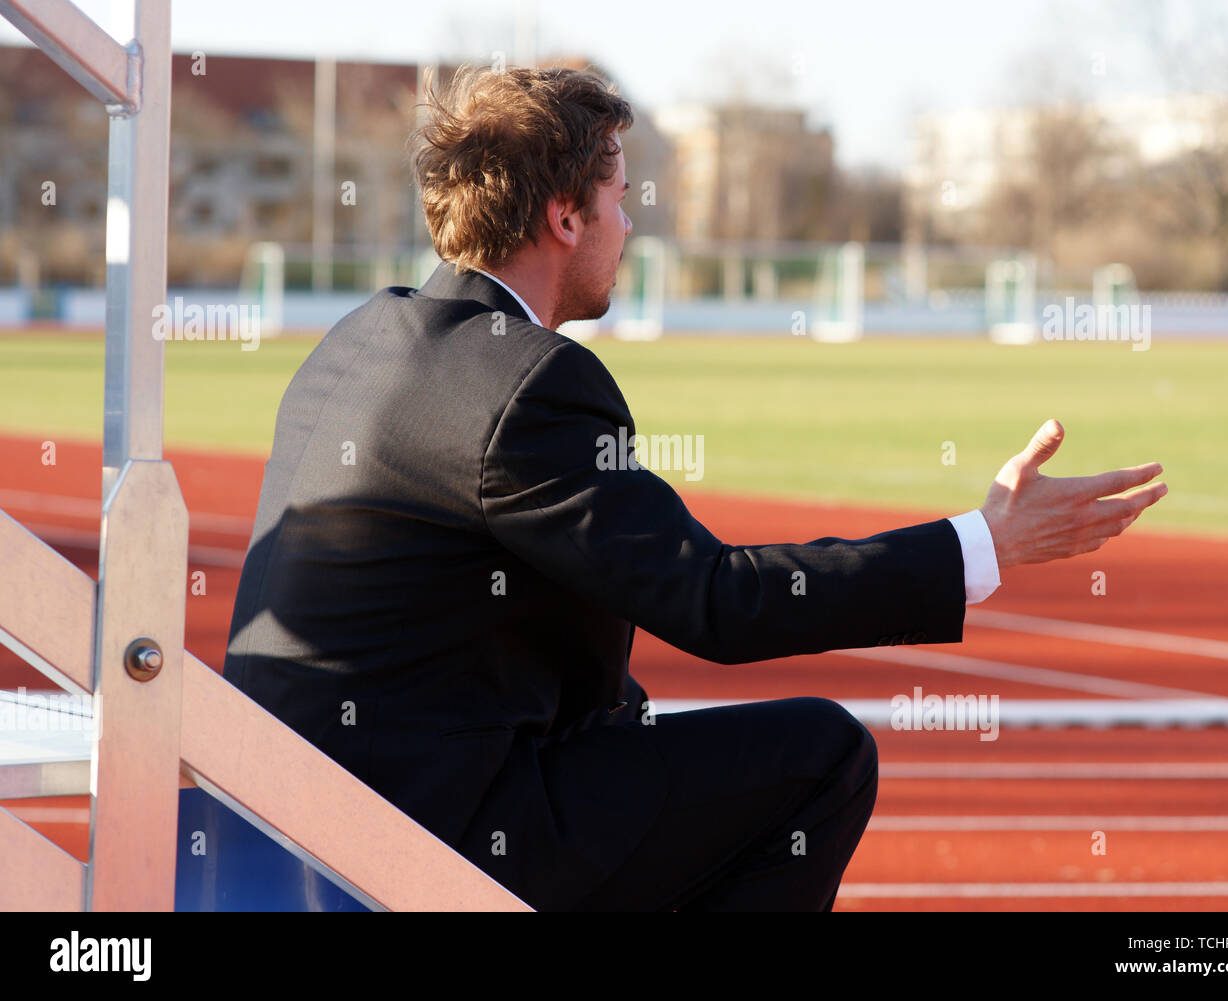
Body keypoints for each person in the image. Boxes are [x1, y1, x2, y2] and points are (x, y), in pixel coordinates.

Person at [221, 65, 1168, 911]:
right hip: (419, 836)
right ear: (563, 216)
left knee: (653, 749)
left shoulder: (359, 338)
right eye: (620, 197)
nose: (630, 225)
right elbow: (720, 602)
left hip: (289, 801)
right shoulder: (528, 383)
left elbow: (502, 619)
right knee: (822, 760)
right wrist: (983, 544)